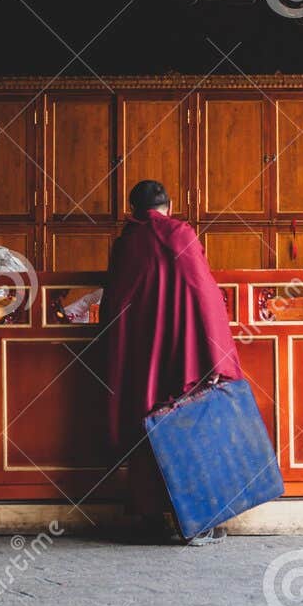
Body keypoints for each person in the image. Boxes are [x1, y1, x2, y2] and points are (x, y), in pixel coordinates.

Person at [101, 178, 242, 543]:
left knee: (145, 425)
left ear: (131, 211)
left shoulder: (126, 244)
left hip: (142, 355)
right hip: (187, 353)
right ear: (171, 203)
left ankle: (149, 519)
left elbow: (113, 305)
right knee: (190, 425)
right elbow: (205, 294)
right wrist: (218, 356)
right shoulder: (182, 234)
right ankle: (194, 522)